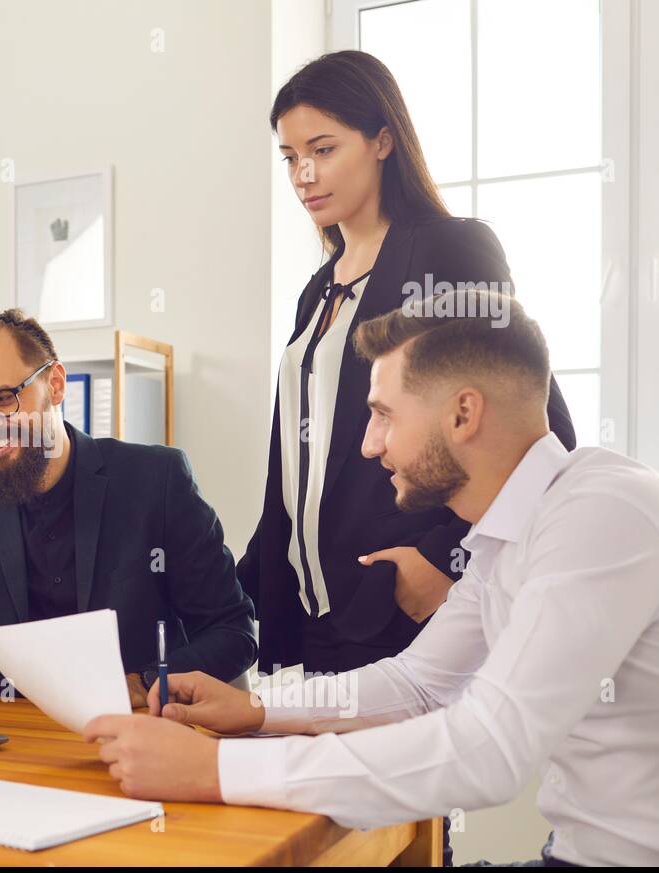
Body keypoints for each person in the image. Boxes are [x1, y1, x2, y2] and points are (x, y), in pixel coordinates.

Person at [84, 290, 659, 867]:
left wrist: (213, 769)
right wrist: (258, 711)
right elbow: (420, 686)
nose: (369, 444)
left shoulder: (601, 511)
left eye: (384, 414)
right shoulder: (508, 532)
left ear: (463, 414)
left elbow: (490, 750)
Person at [240, 50, 576, 685]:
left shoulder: (448, 250)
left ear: (382, 141)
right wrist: (240, 586)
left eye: (324, 149)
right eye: (290, 158)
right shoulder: (318, 290)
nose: (304, 174)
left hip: (397, 600)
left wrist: (445, 558)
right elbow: (299, 464)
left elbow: (540, 431)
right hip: (306, 610)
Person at [0, 310, 257, 703]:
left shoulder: (155, 480)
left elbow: (234, 631)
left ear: (55, 384)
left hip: (135, 737)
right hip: (2, 751)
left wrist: (145, 682)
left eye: (3, 399)